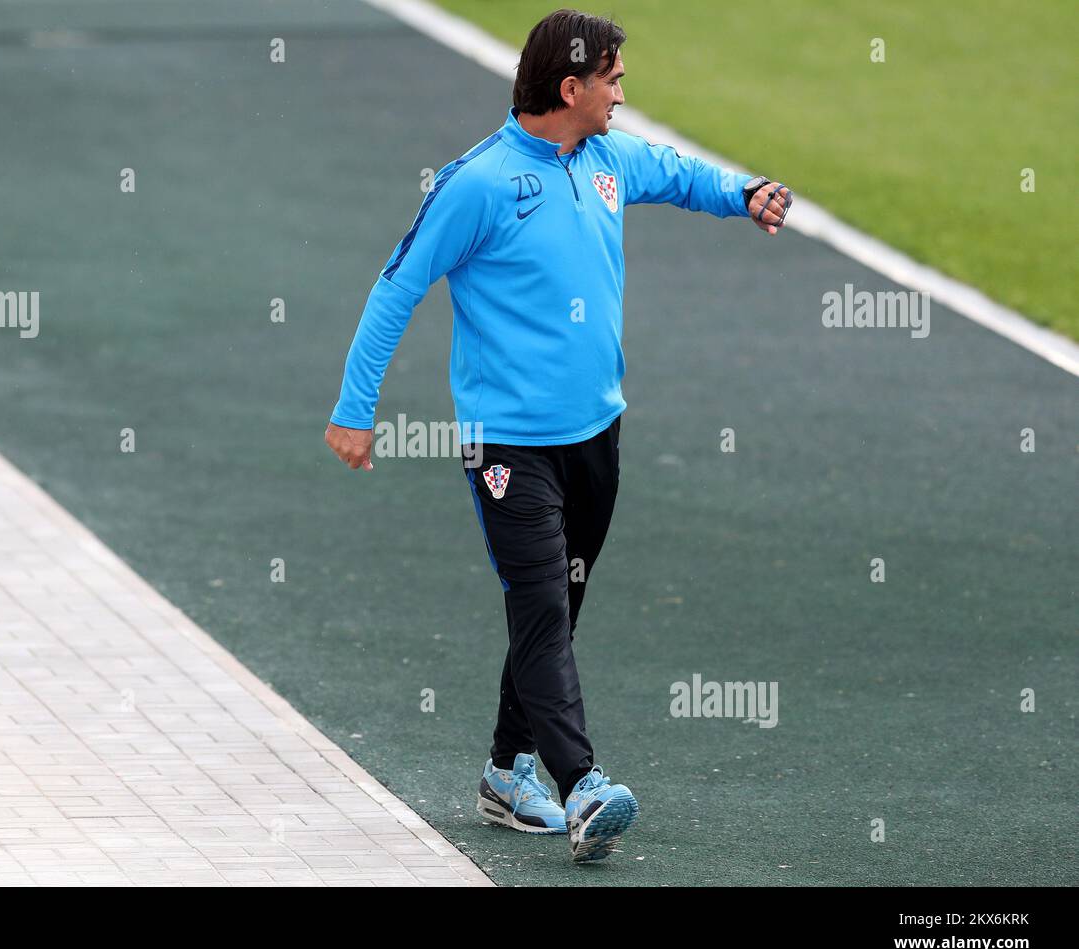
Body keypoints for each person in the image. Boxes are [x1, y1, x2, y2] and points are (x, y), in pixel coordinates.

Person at [324, 8, 791, 863]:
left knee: (554, 611)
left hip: (596, 435)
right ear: (570, 88)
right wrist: (358, 409)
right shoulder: (478, 184)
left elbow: (679, 173)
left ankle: (507, 775)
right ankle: (584, 787)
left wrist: (744, 193)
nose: (623, 91)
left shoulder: (607, 157)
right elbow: (397, 288)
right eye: (613, 78)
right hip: (509, 444)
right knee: (540, 606)